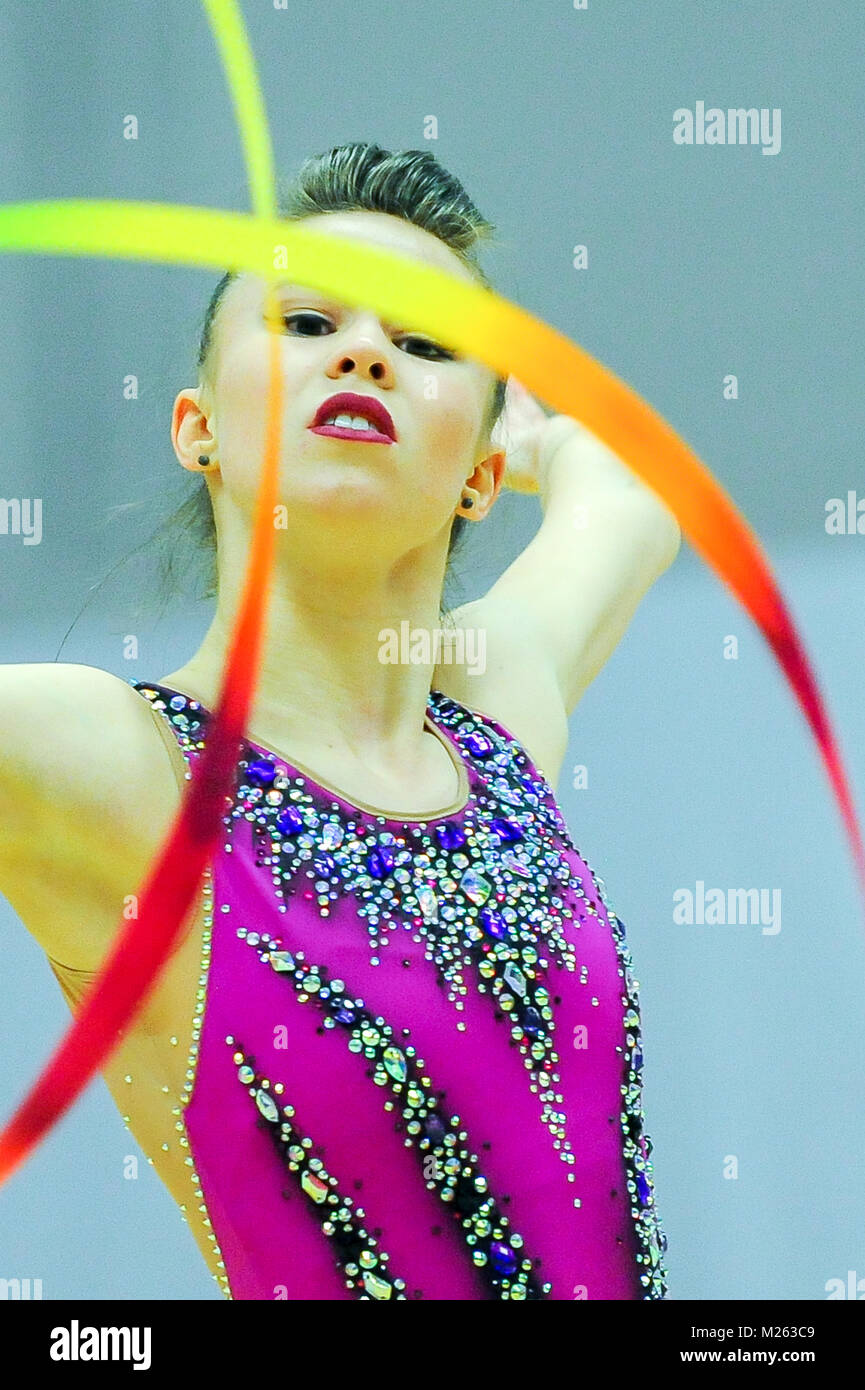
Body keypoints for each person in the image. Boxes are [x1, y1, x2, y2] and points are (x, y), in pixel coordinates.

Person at [0, 142, 680, 1300]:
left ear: (475, 473)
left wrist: (533, 435)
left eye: (421, 344)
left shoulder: (490, 714)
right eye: (307, 323)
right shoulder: (118, 768)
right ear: (196, 426)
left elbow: (631, 497)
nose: (364, 348)